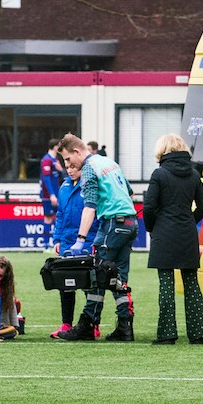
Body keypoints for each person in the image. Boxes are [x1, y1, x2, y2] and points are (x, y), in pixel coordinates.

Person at [55, 133, 138, 342]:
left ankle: (87, 324)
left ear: (76, 151)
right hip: (130, 223)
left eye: (67, 159)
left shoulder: (90, 167)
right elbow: (130, 192)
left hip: (112, 223)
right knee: (118, 277)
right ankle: (125, 326)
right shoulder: (108, 162)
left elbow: (89, 207)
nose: (68, 164)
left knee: (97, 274)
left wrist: (80, 239)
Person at [144, 134, 203, 344]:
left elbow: (149, 207)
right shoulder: (193, 174)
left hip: (164, 233)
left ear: (162, 151)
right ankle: (197, 334)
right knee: (192, 284)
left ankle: (167, 334)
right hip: (187, 233)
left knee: (166, 285)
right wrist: (191, 220)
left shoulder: (159, 174)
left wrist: (152, 227)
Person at [50, 160, 99, 338]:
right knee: (65, 284)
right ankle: (66, 324)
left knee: (89, 284)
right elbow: (61, 215)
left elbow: (97, 213)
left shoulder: (90, 186)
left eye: (73, 167)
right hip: (67, 243)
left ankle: (93, 325)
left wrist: (96, 240)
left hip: (87, 241)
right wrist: (57, 239)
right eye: (68, 167)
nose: (70, 171)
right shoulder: (64, 187)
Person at [39, 139, 65, 228]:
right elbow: (46, 178)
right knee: (48, 217)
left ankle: (56, 240)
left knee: (60, 217)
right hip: (49, 195)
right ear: (55, 147)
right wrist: (52, 195)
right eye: (59, 146)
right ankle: (46, 241)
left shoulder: (55, 159)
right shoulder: (47, 160)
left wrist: (61, 170)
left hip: (57, 193)